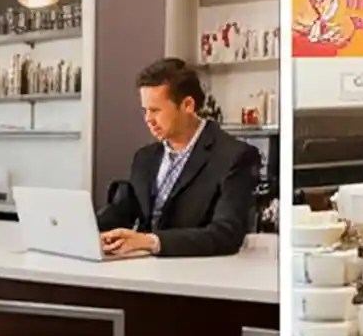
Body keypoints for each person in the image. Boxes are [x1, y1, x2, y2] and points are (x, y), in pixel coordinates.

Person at [96, 57, 261, 257]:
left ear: (187, 105)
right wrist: (91, 229)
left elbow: (226, 235)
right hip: (144, 269)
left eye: (155, 110)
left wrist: (151, 242)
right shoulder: (145, 158)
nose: (148, 119)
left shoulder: (235, 156)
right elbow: (125, 211)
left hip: (199, 271)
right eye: (145, 111)